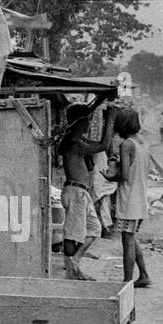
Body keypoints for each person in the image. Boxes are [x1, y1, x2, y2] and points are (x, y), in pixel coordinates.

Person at [58, 103, 116, 279]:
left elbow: (98, 148)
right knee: (72, 234)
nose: (89, 125)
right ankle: (71, 271)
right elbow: (104, 145)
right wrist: (110, 119)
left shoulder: (76, 141)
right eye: (87, 121)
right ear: (78, 122)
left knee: (94, 229)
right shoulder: (74, 142)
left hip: (81, 192)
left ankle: (74, 262)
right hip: (76, 192)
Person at [114, 108, 152, 287]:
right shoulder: (143, 143)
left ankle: (126, 282)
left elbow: (125, 175)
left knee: (127, 240)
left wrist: (110, 176)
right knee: (131, 237)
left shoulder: (126, 144)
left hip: (129, 199)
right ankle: (143, 275)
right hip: (140, 196)